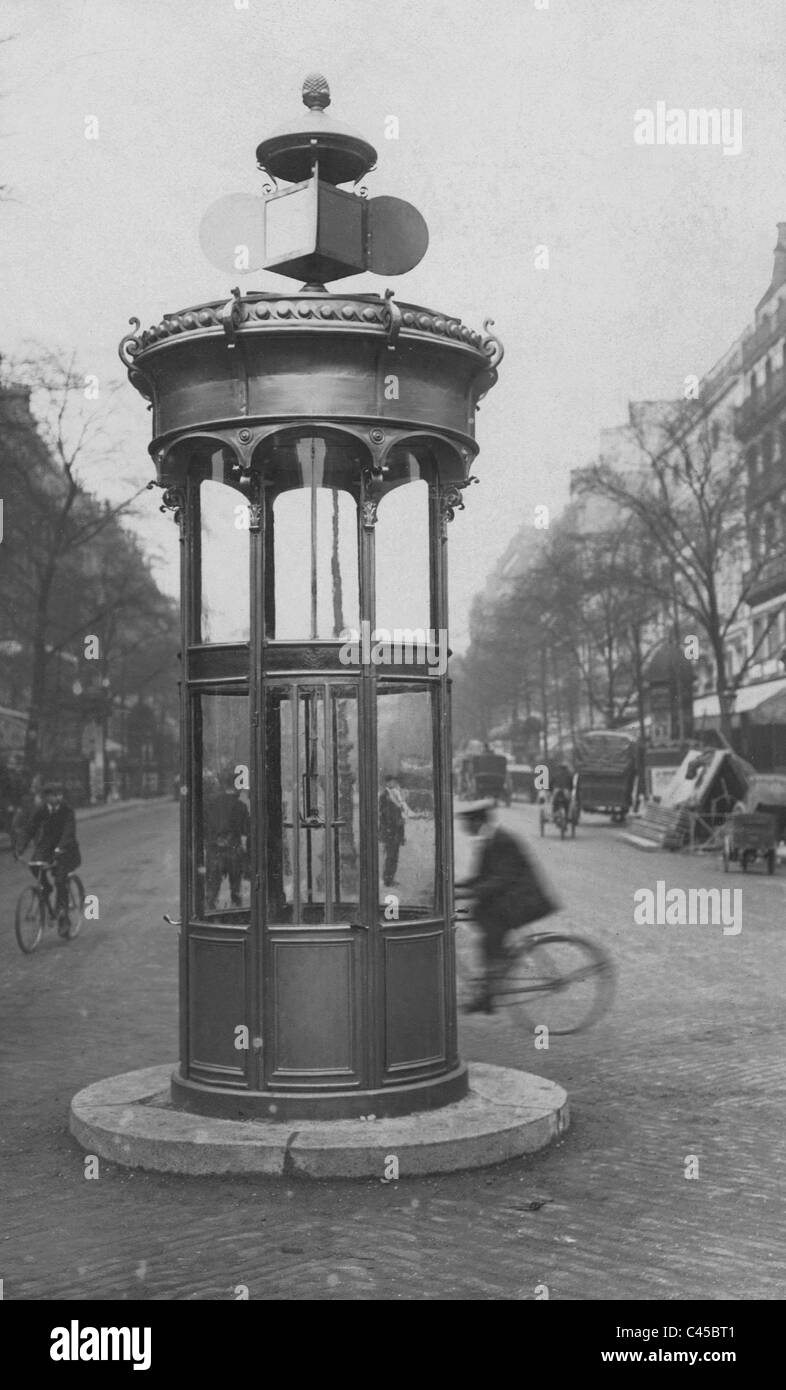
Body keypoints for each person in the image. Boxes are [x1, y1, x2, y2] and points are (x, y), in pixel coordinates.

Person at [455, 799, 557, 1012]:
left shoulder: (502, 840)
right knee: (484, 929)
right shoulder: (488, 839)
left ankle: (491, 987)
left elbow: (503, 879)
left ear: (477, 821)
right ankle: (489, 991)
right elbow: (480, 877)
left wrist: (470, 892)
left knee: (490, 934)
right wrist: (454, 887)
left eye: (466, 822)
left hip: (524, 901)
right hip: (510, 899)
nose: (463, 827)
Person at [19, 780, 81, 934]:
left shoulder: (67, 810)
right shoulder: (41, 810)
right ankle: (45, 888)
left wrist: (60, 848)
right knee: (34, 865)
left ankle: (64, 918)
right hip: (47, 847)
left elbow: (69, 831)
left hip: (66, 848)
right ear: (46, 797)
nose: (58, 798)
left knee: (61, 880)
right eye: (54, 795)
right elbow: (29, 829)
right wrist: (20, 848)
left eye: (60, 795)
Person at [204, 768, 250, 910]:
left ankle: (210, 920)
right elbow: (246, 830)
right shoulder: (240, 805)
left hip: (214, 852)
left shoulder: (211, 802)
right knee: (235, 890)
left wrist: (214, 840)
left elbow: (203, 826)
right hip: (233, 851)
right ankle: (237, 921)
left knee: (212, 892)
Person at [378, 774, 407, 888]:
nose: (393, 784)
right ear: (387, 783)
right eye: (391, 782)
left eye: (394, 782)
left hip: (397, 830)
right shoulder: (384, 796)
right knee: (390, 856)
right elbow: (384, 814)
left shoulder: (396, 794)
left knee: (394, 856)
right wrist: (396, 822)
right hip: (389, 831)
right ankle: (387, 880)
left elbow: (400, 810)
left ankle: (391, 878)